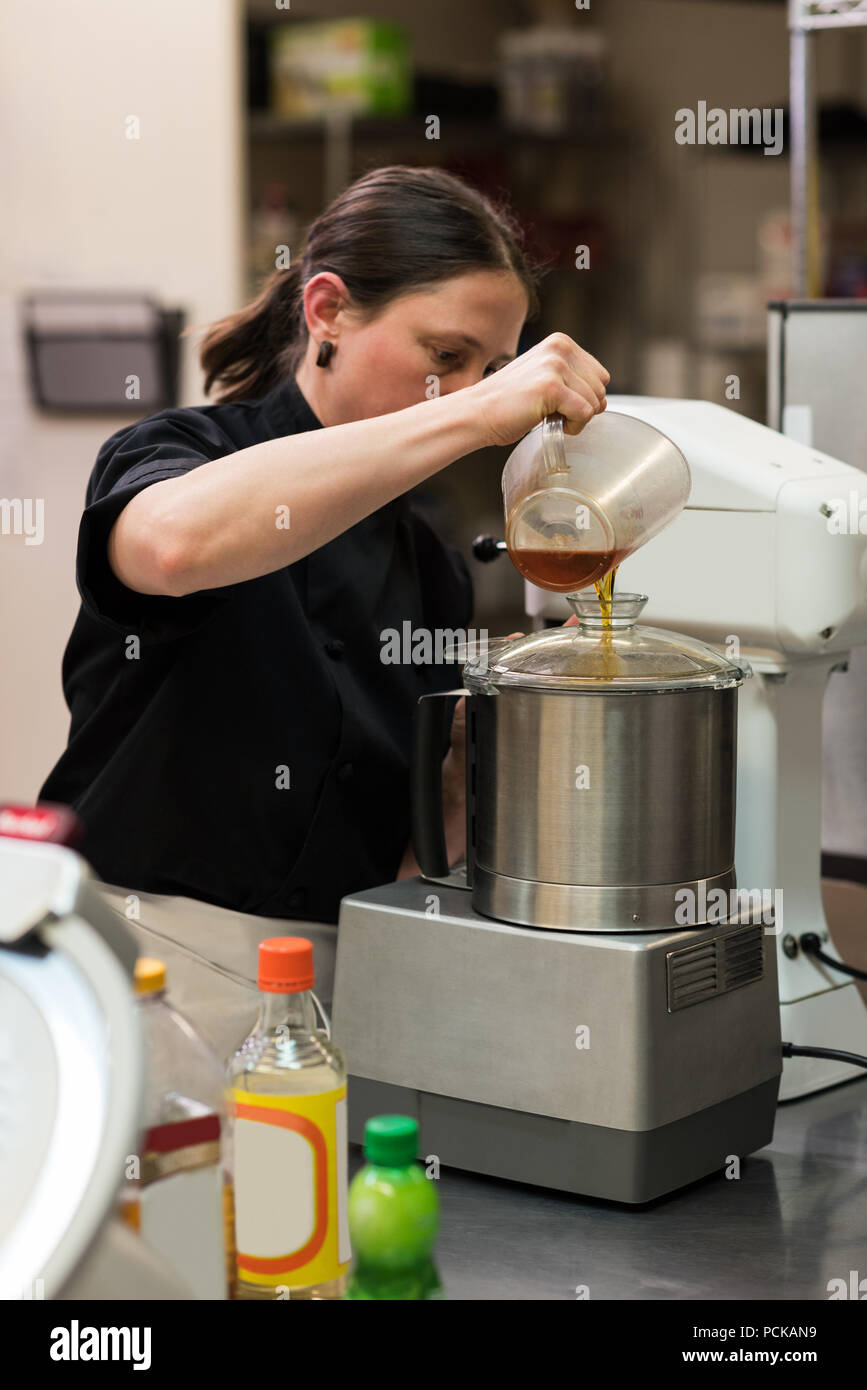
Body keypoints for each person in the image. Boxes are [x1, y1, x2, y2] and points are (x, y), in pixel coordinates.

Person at [39, 165, 608, 1017]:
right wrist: (472, 414)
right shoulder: (179, 453)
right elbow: (173, 547)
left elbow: (421, 847)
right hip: (140, 960)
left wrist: (478, 753)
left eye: (491, 369)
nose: (469, 393)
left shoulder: (427, 555)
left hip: (334, 977)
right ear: (327, 310)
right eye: (445, 357)